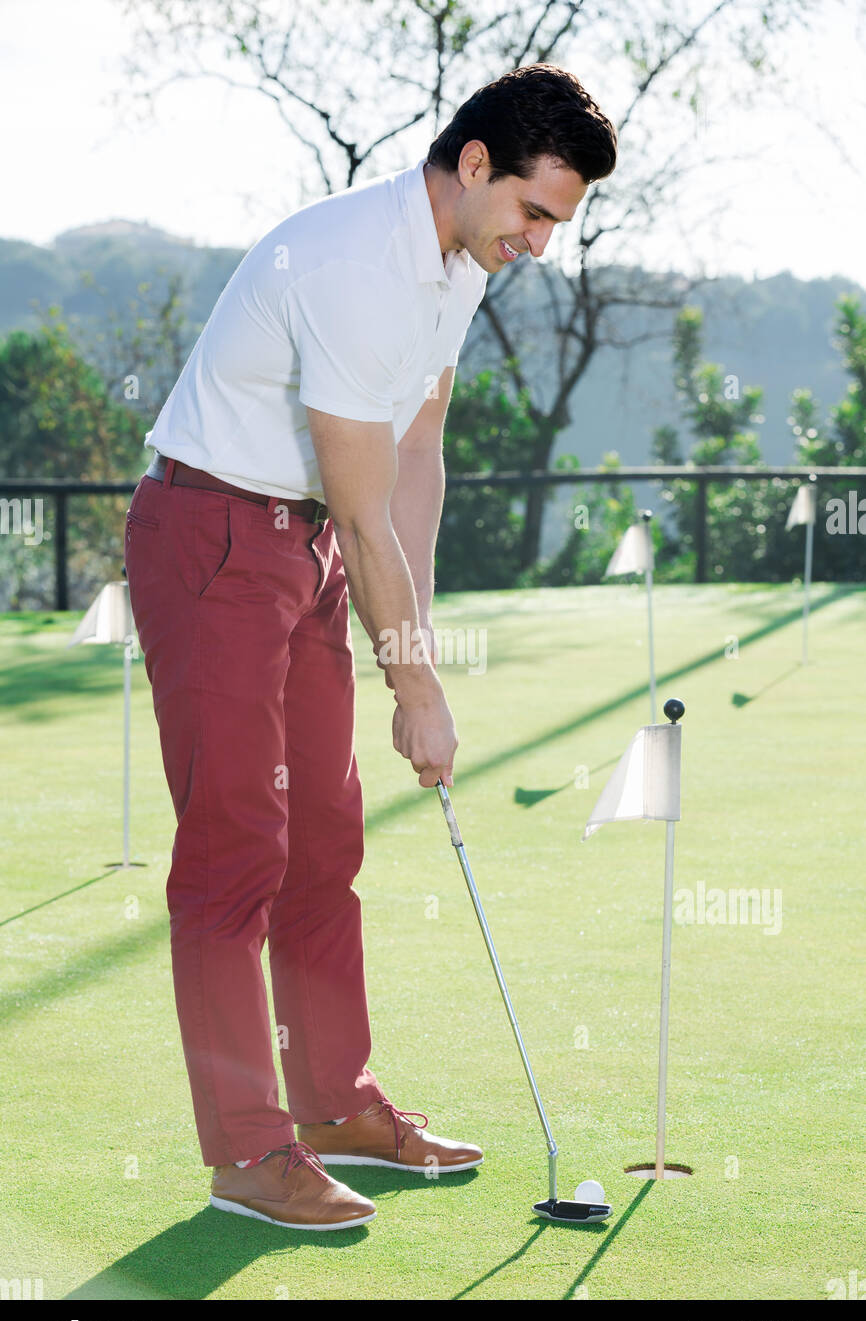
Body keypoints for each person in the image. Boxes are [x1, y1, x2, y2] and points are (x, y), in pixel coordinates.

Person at [123, 62, 617, 1232]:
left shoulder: (460, 265)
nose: (539, 244)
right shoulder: (349, 263)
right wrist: (415, 688)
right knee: (236, 847)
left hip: (303, 550)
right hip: (210, 536)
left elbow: (415, 457)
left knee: (323, 841)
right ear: (477, 164)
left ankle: (335, 1106)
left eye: (559, 224)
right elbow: (357, 498)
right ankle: (247, 1154)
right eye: (534, 213)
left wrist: (418, 644)